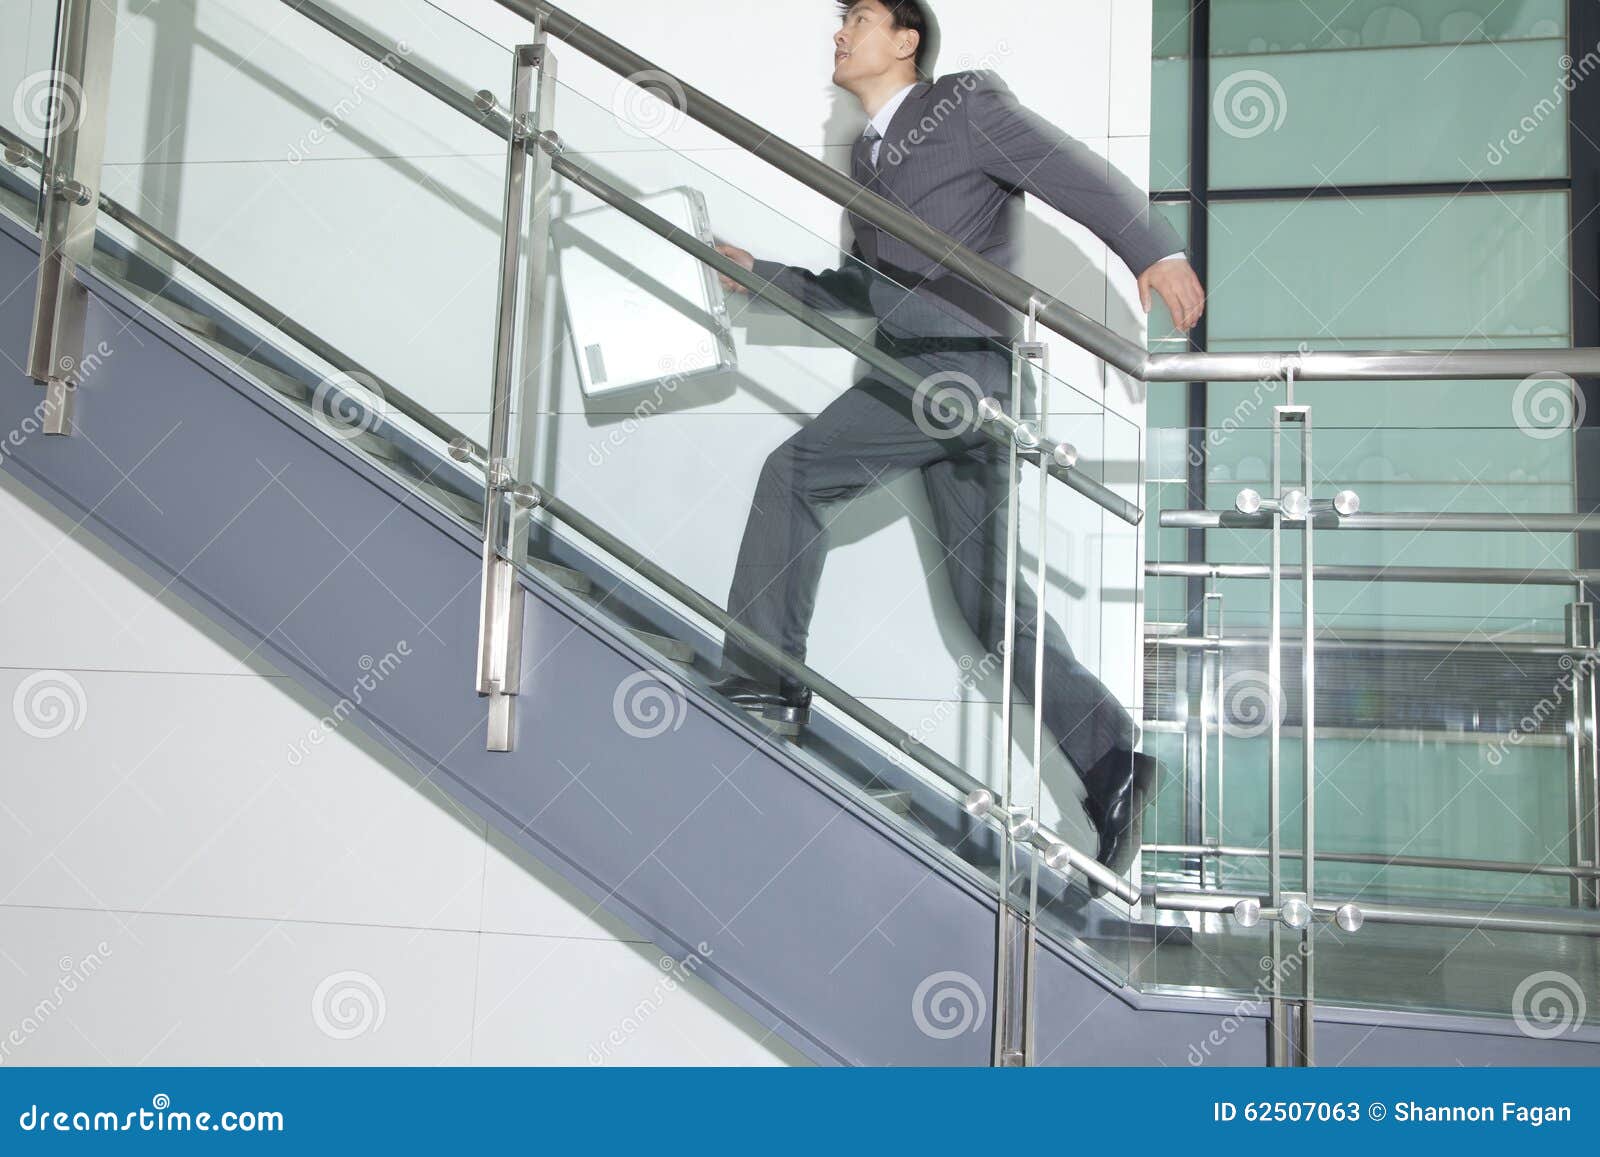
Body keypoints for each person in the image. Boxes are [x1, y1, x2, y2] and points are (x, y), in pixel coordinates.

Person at [708, 0, 1206, 872]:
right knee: (986, 609)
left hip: (952, 376)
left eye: (857, 17)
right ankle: (1111, 758)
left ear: (906, 40)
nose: (839, 32)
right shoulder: (864, 157)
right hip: (936, 378)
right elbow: (867, 289)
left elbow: (1072, 172)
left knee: (795, 473)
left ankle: (762, 680)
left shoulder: (965, 107)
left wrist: (1151, 250)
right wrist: (762, 278)